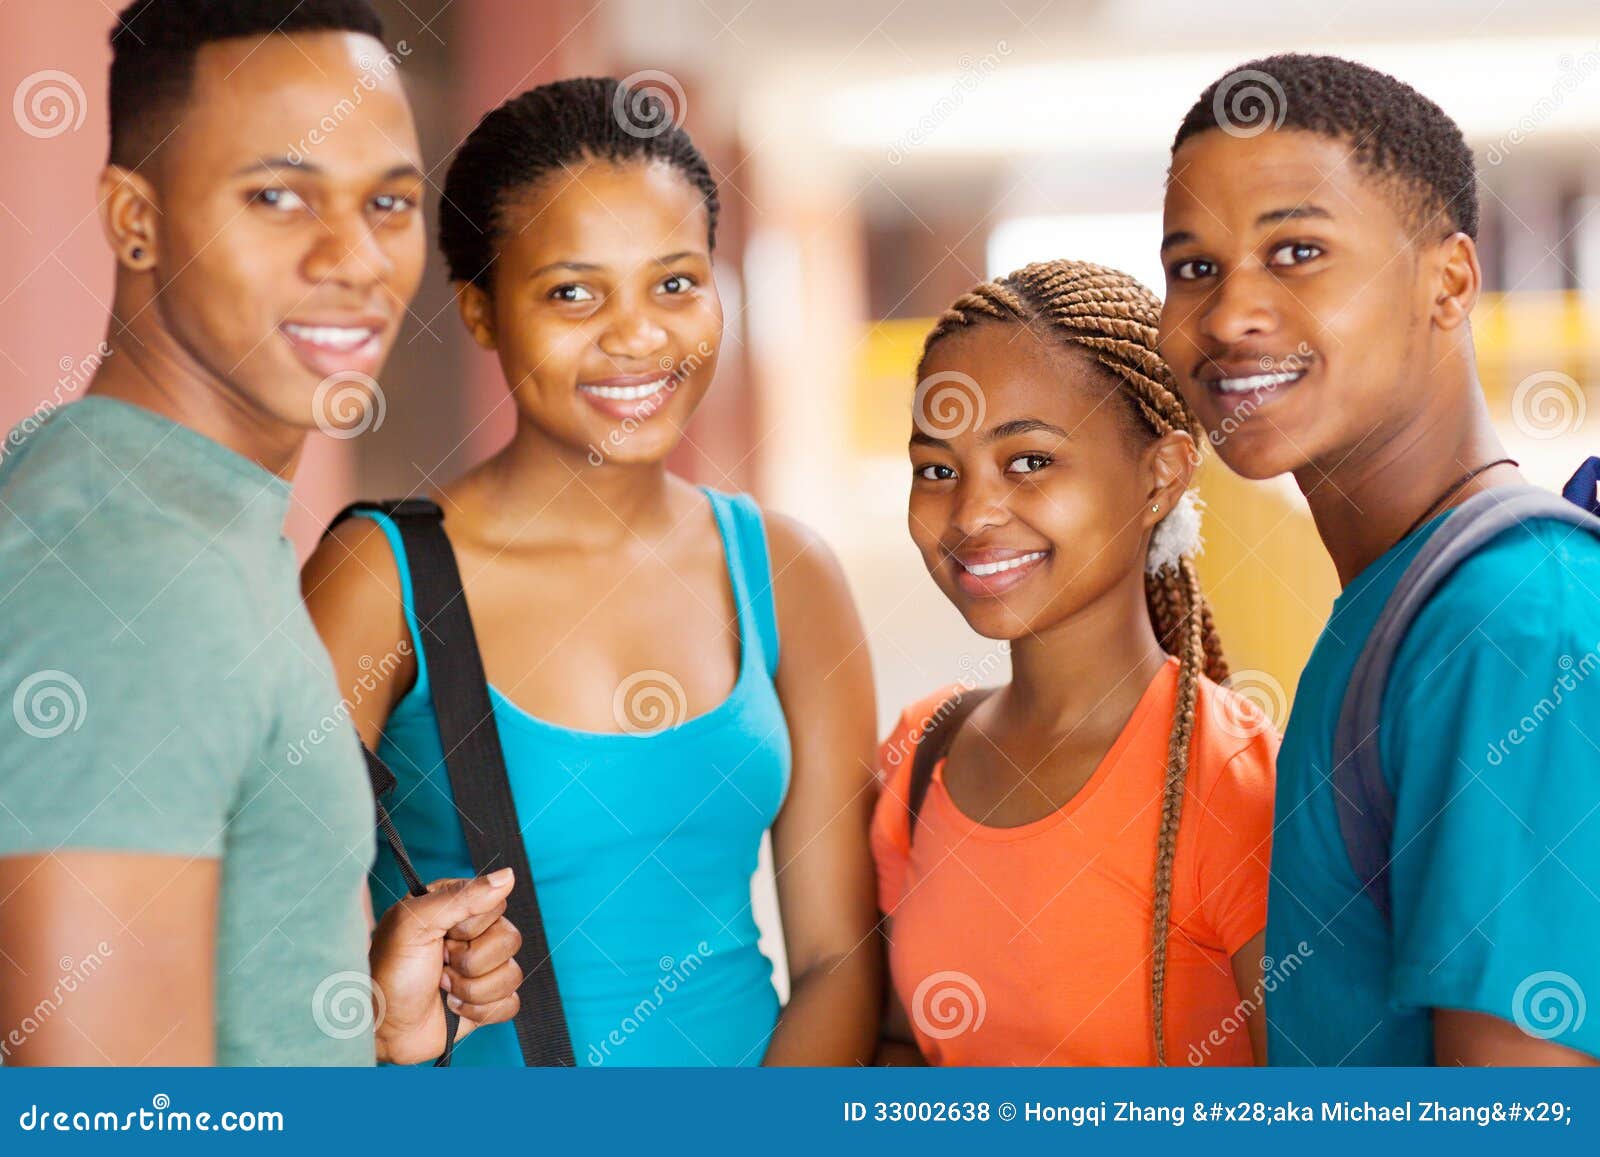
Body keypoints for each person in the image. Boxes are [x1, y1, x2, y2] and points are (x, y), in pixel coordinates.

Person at [301, 78, 882, 1066]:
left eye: (675, 282)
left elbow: (835, 953)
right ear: (481, 311)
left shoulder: (785, 572)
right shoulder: (381, 577)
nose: (638, 335)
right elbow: (260, 935)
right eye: (573, 292)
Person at [0, 0, 522, 1066]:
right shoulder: (128, 569)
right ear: (134, 219)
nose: (352, 256)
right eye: (277, 195)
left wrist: (354, 1015)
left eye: (386, 201)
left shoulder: (168, 509)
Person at [1159, 53, 1600, 1065]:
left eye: (1297, 251)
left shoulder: (1509, 623)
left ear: (1447, 281)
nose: (1228, 317)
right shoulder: (1403, 601)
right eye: (1193, 267)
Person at [872, 259, 1276, 1066]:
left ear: (1160, 476)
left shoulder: (1235, 781)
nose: (973, 513)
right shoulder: (922, 754)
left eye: (1028, 460)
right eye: (937, 469)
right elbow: (896, 1049)